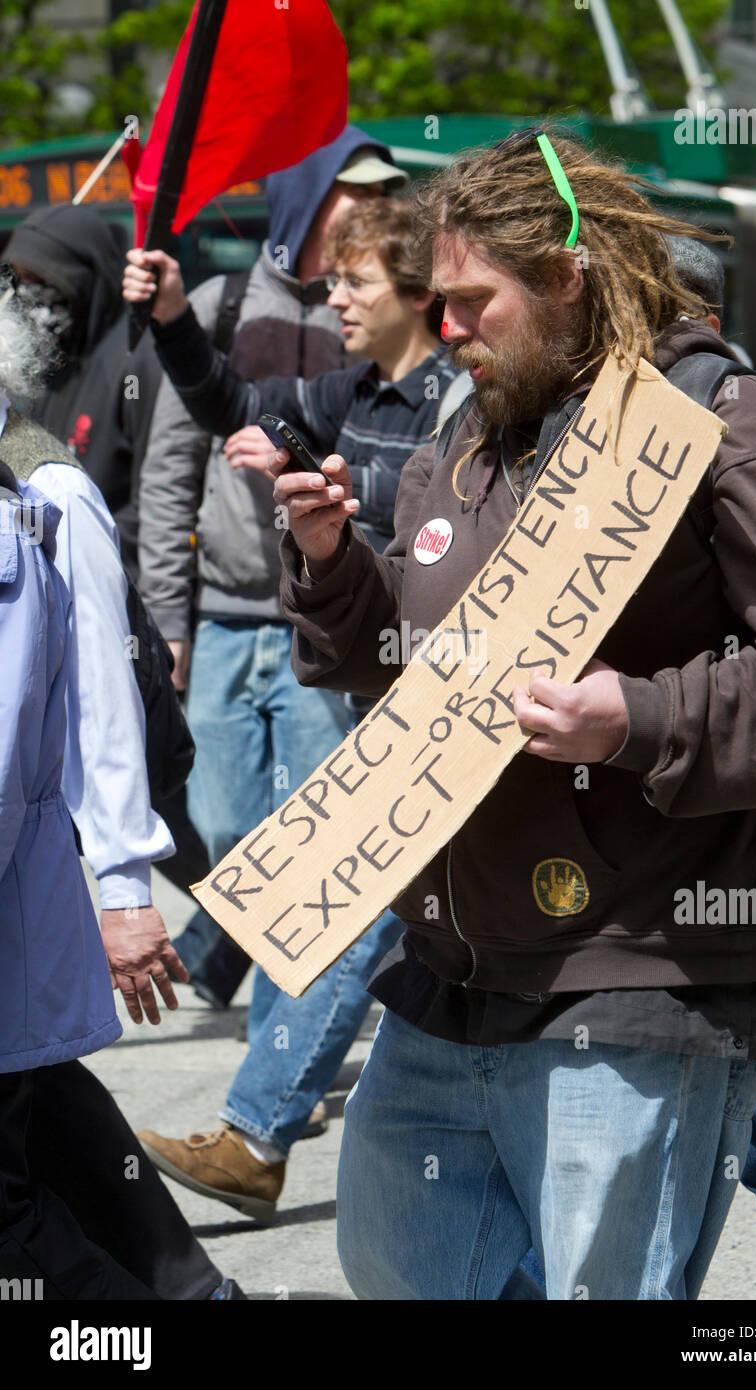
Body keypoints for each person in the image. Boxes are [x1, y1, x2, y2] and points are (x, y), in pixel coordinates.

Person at [272, 127, 756, 1300]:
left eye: (470, 302)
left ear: (565, 275)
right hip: (450, 971)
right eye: (434, 302)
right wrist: (334, 563)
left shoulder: (726, 418)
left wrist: (635, 718)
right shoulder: (468, 432)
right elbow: (419, 654)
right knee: (400, 1264)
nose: (444, 330)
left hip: (640, 975)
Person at [122, 196, 456, 1221]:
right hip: (376, 706)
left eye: (354, 281)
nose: (334, 296)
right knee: (353, 909)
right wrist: (175, 317)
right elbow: (233, 402)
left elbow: (453, 513)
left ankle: (258, 1133)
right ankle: (272, 1132)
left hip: (444, 711)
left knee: (345, 909)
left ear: (415, 294)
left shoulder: (459, 398)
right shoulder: (348, 385)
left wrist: (334, 477)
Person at [0, 287, 243, 1299]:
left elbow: (97, 698)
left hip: (33, 883)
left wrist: (124, 883)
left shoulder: (44, 495)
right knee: (47, 1123)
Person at [135, 126, 406, 1009]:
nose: (371, 213)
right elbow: (178, 462)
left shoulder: (384, 322)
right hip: (223, 617)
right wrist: (168, 619)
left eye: (381, 200)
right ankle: (237, 959)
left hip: (322, 624)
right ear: (307, 199)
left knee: (314, 829)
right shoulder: (219, 304)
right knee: (219, 823)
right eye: (352, 194)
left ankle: (293, 1022)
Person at [2, 204, 162, 573]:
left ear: (86, 278)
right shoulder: (47, 359)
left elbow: (156, 499)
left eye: (40, 277)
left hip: (113, 579)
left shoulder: (137, 358)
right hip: (47, 573)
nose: (27, 293)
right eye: (19, 278)